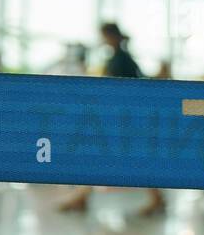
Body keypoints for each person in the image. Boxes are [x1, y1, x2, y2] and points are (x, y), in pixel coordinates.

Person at [58, 23, 165, 216]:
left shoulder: (119, 59)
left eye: (104, 36)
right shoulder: (123, 58)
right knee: (113, 157)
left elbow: (113, 90)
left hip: (121, 120)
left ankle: (82, 198)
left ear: (111, 36)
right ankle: (83, 197)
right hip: (126, 119)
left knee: (104, 156)